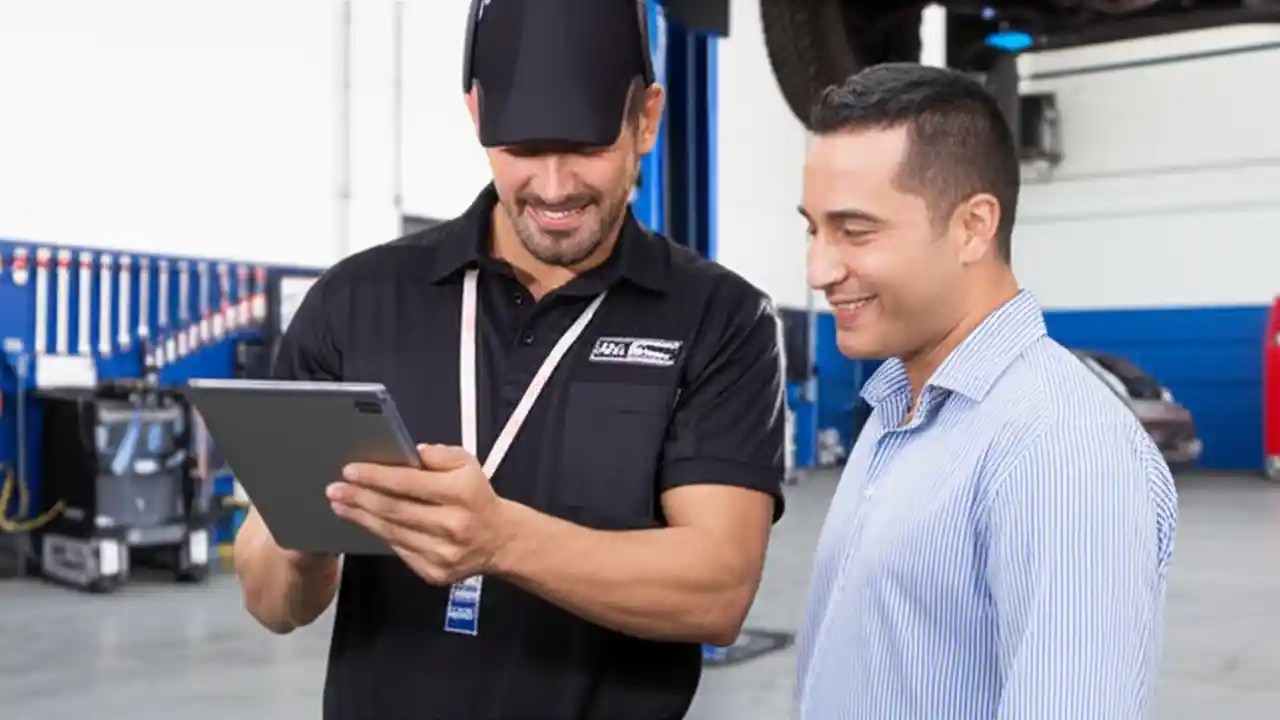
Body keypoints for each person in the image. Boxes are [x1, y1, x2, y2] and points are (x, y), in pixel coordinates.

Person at [232, 0, 787, 718]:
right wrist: (305, 541)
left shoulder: (721, 321)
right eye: (522, 151)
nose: (554, 188)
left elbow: (717, 591)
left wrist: (500, 540)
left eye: (586, 147)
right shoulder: (355, 303)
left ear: (645, 118)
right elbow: (270, 601)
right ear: (475, 115)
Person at [793, 63, 1178, 718]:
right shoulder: (898, 410)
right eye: (813, 228)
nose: (819, 269)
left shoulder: (1058, 451)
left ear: (973, 226)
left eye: (855, 231)